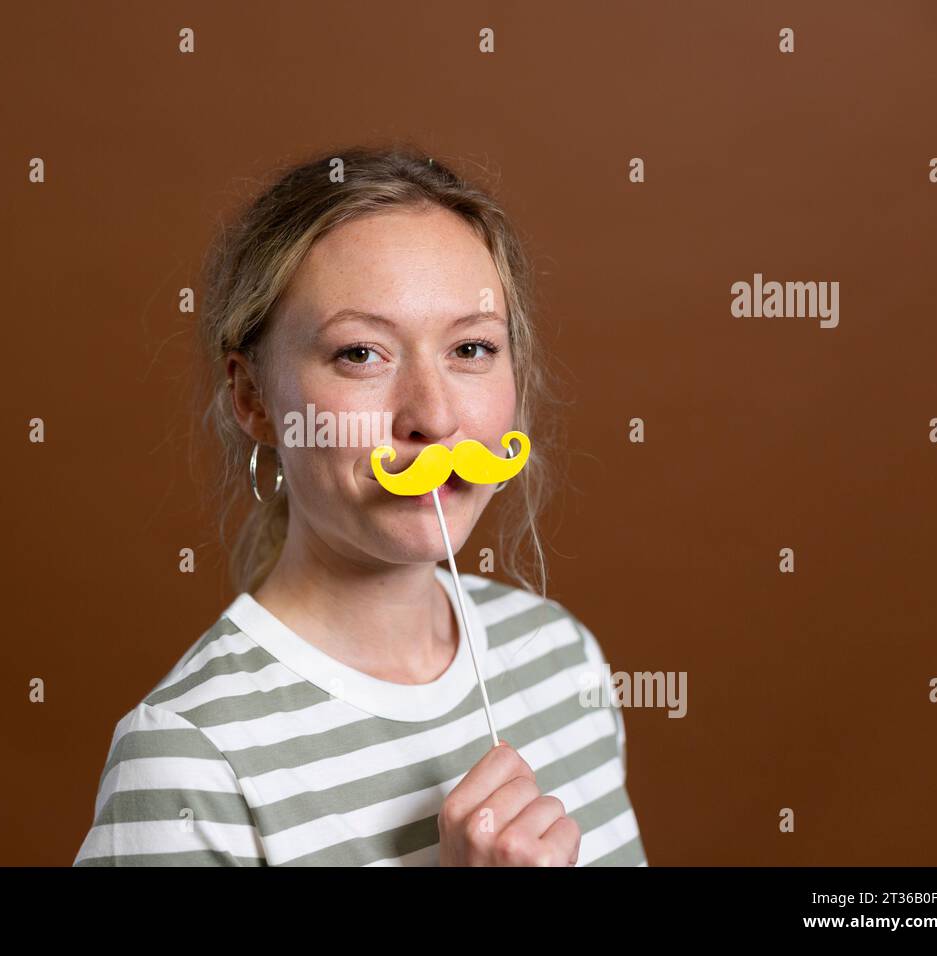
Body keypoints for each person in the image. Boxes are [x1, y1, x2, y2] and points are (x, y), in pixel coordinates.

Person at [73, 145, 647, 866]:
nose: (433, 419)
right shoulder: (189, 759)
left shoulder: (560, 658)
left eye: (471, 348)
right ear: (252, 398)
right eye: (361, 354)